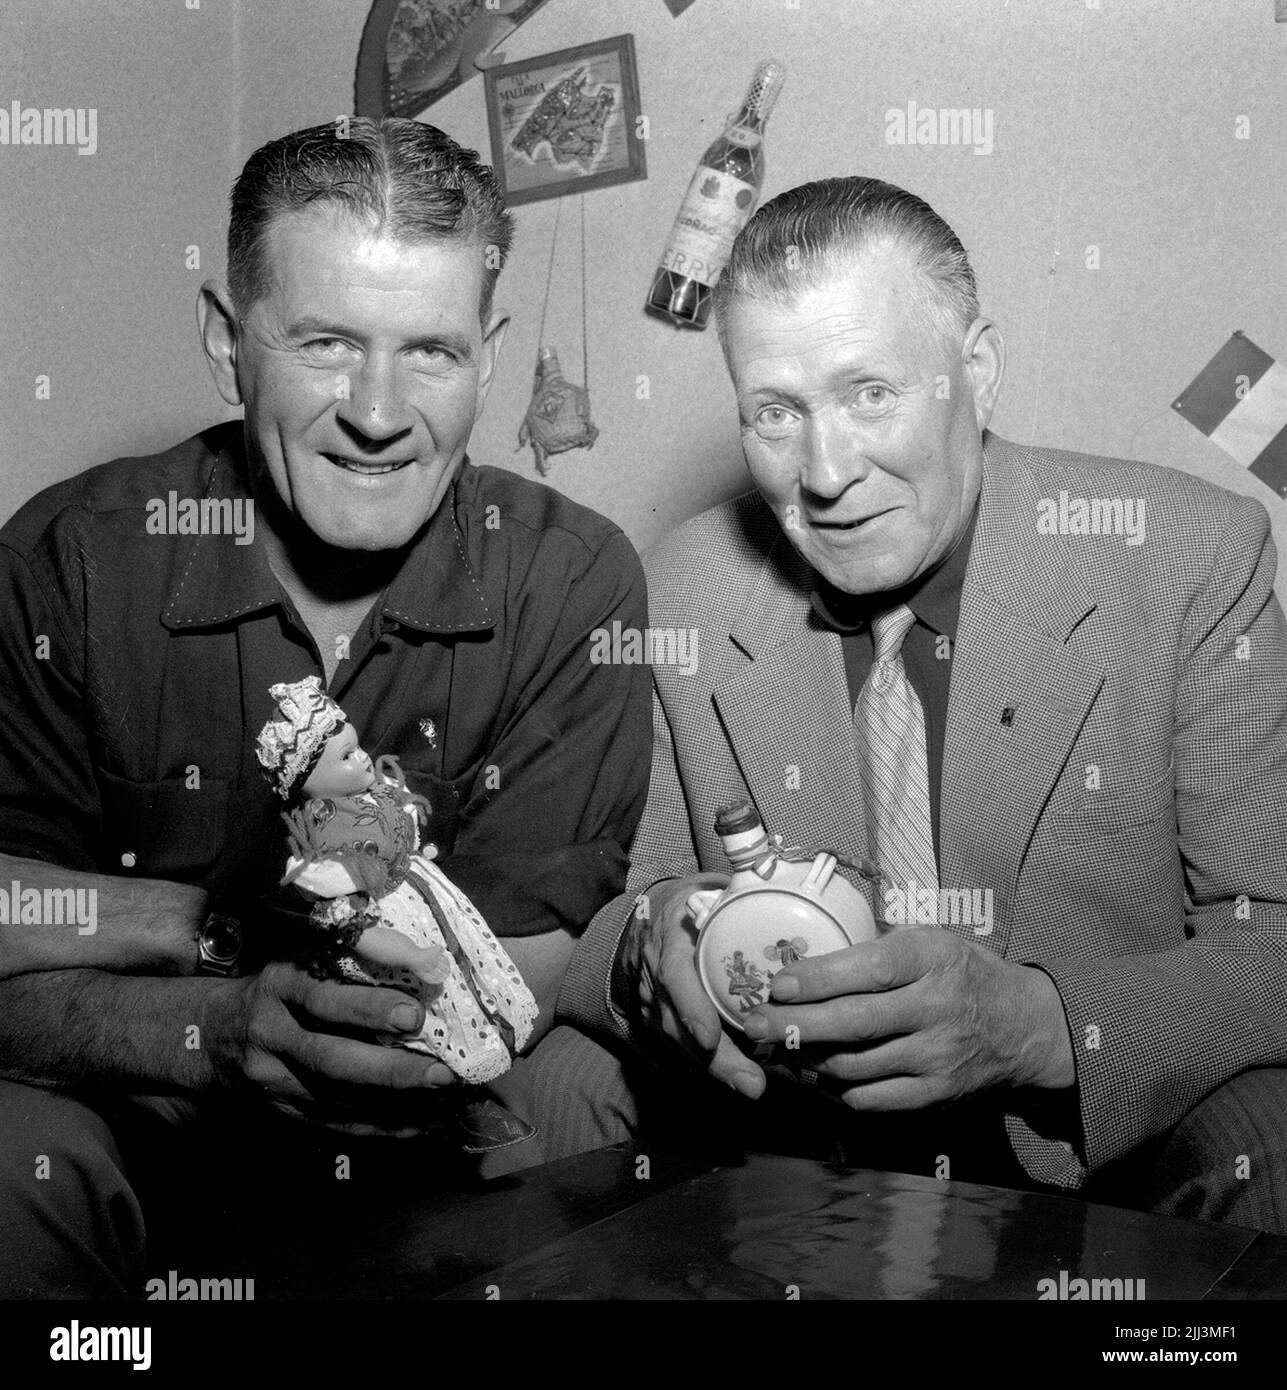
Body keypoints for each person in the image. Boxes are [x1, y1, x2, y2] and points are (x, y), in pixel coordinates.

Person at [557, 176, 1287, 1233]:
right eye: (775, 412)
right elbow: (596, 921)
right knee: (554, 1092)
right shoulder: (684, 587)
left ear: (974, 374)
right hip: (794, 1163)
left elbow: (1270, 943)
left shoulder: (1187, 558)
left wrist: (1043, 1027)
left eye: (869, 396)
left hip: (1100, 1169)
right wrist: (652, 942)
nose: (825, 471)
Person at [0, 118, 650, 1297]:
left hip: (435, 1143)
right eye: (326, 343)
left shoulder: (573, 579)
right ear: (225, 342)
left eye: (434, 353)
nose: (380, 410)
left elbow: (520, 968)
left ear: (490, 357)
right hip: (130, 1127)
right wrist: (220, 965)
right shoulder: (70, 564)